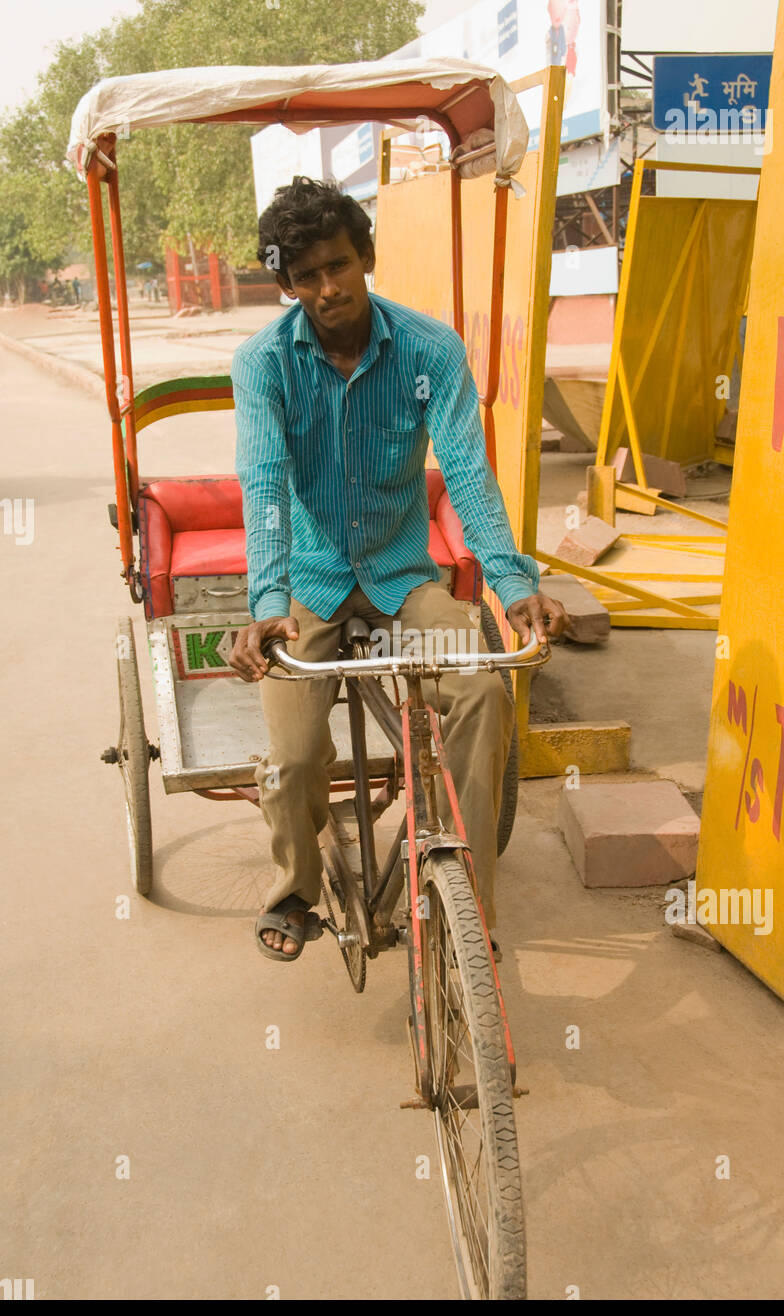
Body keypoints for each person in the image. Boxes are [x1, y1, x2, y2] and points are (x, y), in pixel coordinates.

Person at [228, 176, 571, 960]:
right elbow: (265, 480)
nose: (326, 288)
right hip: (308, 588)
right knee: (291, 757)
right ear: (285, 284)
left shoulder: (428, 349)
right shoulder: (263, 364)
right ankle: (295, 892)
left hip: (400, 579)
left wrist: (511, 582)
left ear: (366, 257)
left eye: (339, 265)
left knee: (484, 690)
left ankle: (464, 898)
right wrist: (268, 597)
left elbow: (466, 470)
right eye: (305, 275)